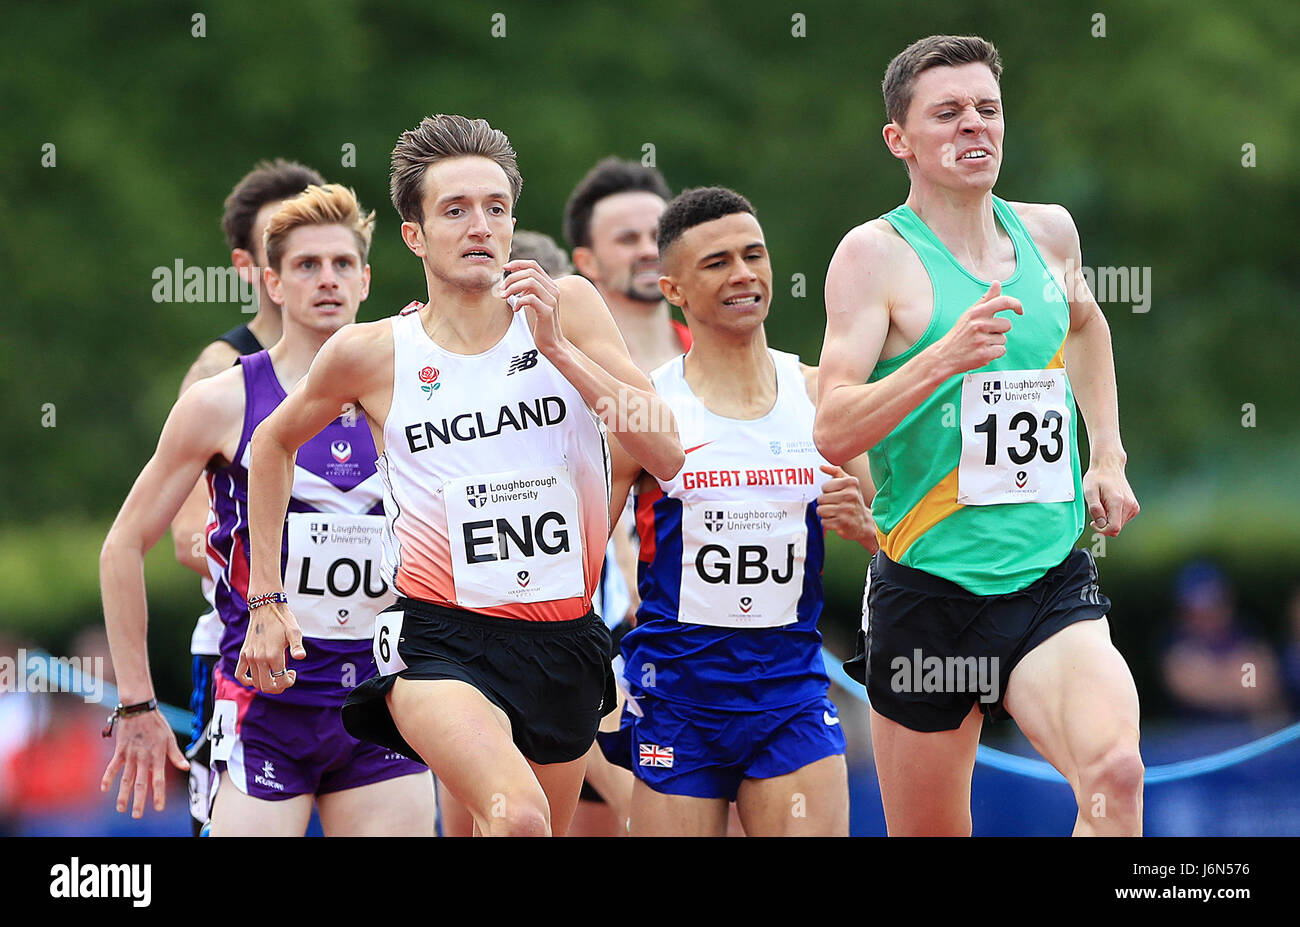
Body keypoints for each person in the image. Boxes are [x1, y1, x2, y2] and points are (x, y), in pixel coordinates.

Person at [239, 114, 683, 837]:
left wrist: (561, 351)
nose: (480, 226)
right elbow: (270, 445)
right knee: (520, 820)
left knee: (501, 827)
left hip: (564, 638)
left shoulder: (569, 307)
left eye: (496, 208)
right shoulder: (373, 352)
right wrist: (267, 596)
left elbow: (665, 453)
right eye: (455, 210)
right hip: (438, 638)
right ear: (415, 235)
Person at [815, 35, 1143, 836]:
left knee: (1115, 774)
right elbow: (832, 423)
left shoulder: (1049, 234)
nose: (975, 127)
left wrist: (1107, 453)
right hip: (929, 591)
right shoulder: (874, 256)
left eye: (988, 110)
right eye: (949, 112)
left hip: (1048, 579)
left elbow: (1089, 327)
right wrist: (941, 359)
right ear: (901, 140)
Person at [100, 184, 434, 834]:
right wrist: (137, 703)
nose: (327, 279)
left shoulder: (417, 388)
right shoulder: (221, 400)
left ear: (366, 279)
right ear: (273, 284)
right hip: (268, 703)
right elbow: (122, 545)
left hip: (382, 695)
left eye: (342, 264)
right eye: (307, 265)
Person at [602, 186, 876, 836]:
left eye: (754, 255)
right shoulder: (649, 412)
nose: (744, 273)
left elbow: (900, 543)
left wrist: (867, 530)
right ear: (674, 289)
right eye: (718, 262)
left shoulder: (817, 397)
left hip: (790, 692)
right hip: (678, 696)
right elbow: (587, 547)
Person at [171, 158, 325, 835]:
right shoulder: (219, 371)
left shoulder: (362, 363)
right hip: (246, 656)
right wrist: (277, 590)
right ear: (251, 266)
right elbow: (184, 536)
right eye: (283, 244)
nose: (311, 263)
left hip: (355, 652)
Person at [563, 159, 693, 834]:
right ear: (584, 260)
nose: (648, 249)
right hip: (591, 628)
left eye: (658, 233)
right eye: (627, 238)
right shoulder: (557, 370)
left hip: (700, 629)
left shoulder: (721, 354)